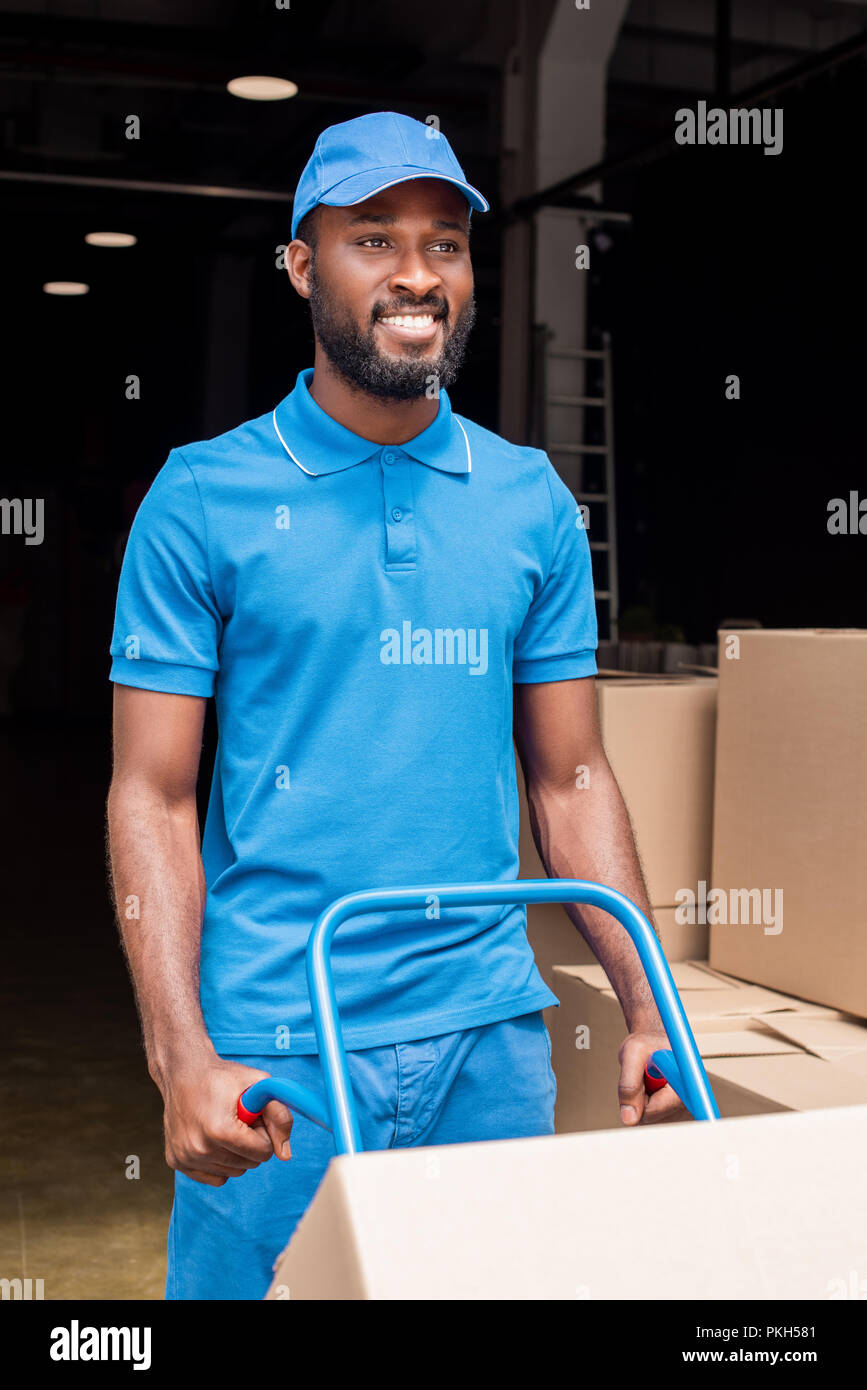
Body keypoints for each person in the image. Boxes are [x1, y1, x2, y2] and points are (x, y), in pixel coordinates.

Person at [106, 111, 680, 1302]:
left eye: (445, 242)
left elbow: (570, 779)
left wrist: (648, 1005)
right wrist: (181, 1060)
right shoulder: (203, 496)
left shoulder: (528, 502)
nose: (419, 272)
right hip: (279, 1044)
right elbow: (151, 792)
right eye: (374, 239)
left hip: (491, 1040)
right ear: (305, 267)